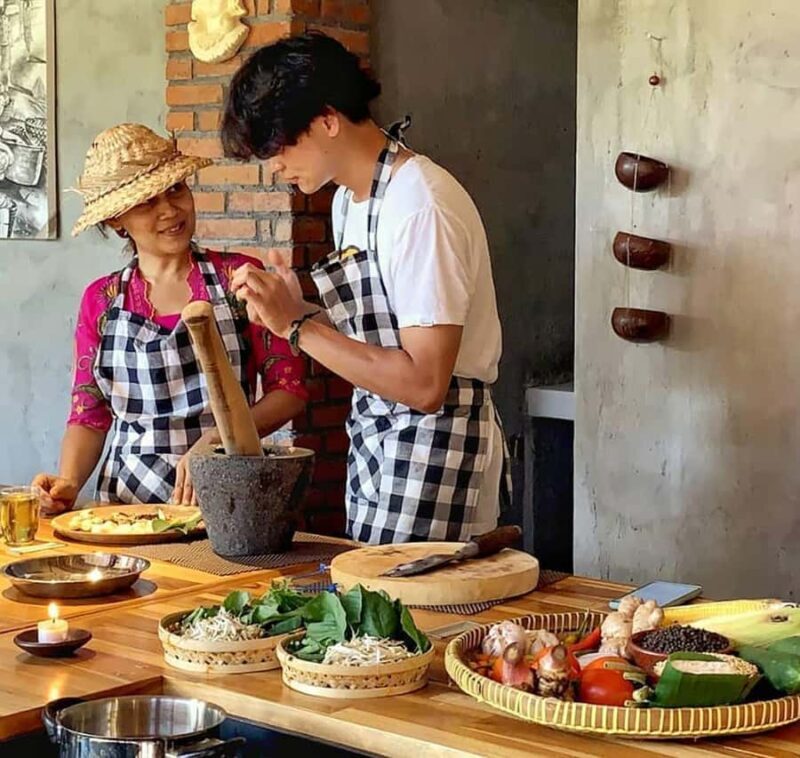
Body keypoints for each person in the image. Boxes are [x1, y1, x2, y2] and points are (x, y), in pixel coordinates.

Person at [221, 33, 510, 544]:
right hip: (379, 440)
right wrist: (291, 308)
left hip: (436, 444)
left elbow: (424, 385)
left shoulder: (419, 205)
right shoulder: (347, 202)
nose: (275, 166)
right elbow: (381, 336)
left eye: (278, 145)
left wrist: (299, 326)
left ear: (328, 120)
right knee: (371, 616)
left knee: (422, 619)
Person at [33, 123, 307, 512]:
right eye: (147, 201)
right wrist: (69, 482)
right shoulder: (103, 300)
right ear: (116, 219)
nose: (170, 210)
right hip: (126, 509)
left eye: (176, 189)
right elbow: (89, 412)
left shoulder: (239, 278)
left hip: (225, 496)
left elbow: (290, 392)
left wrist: (216, 441)